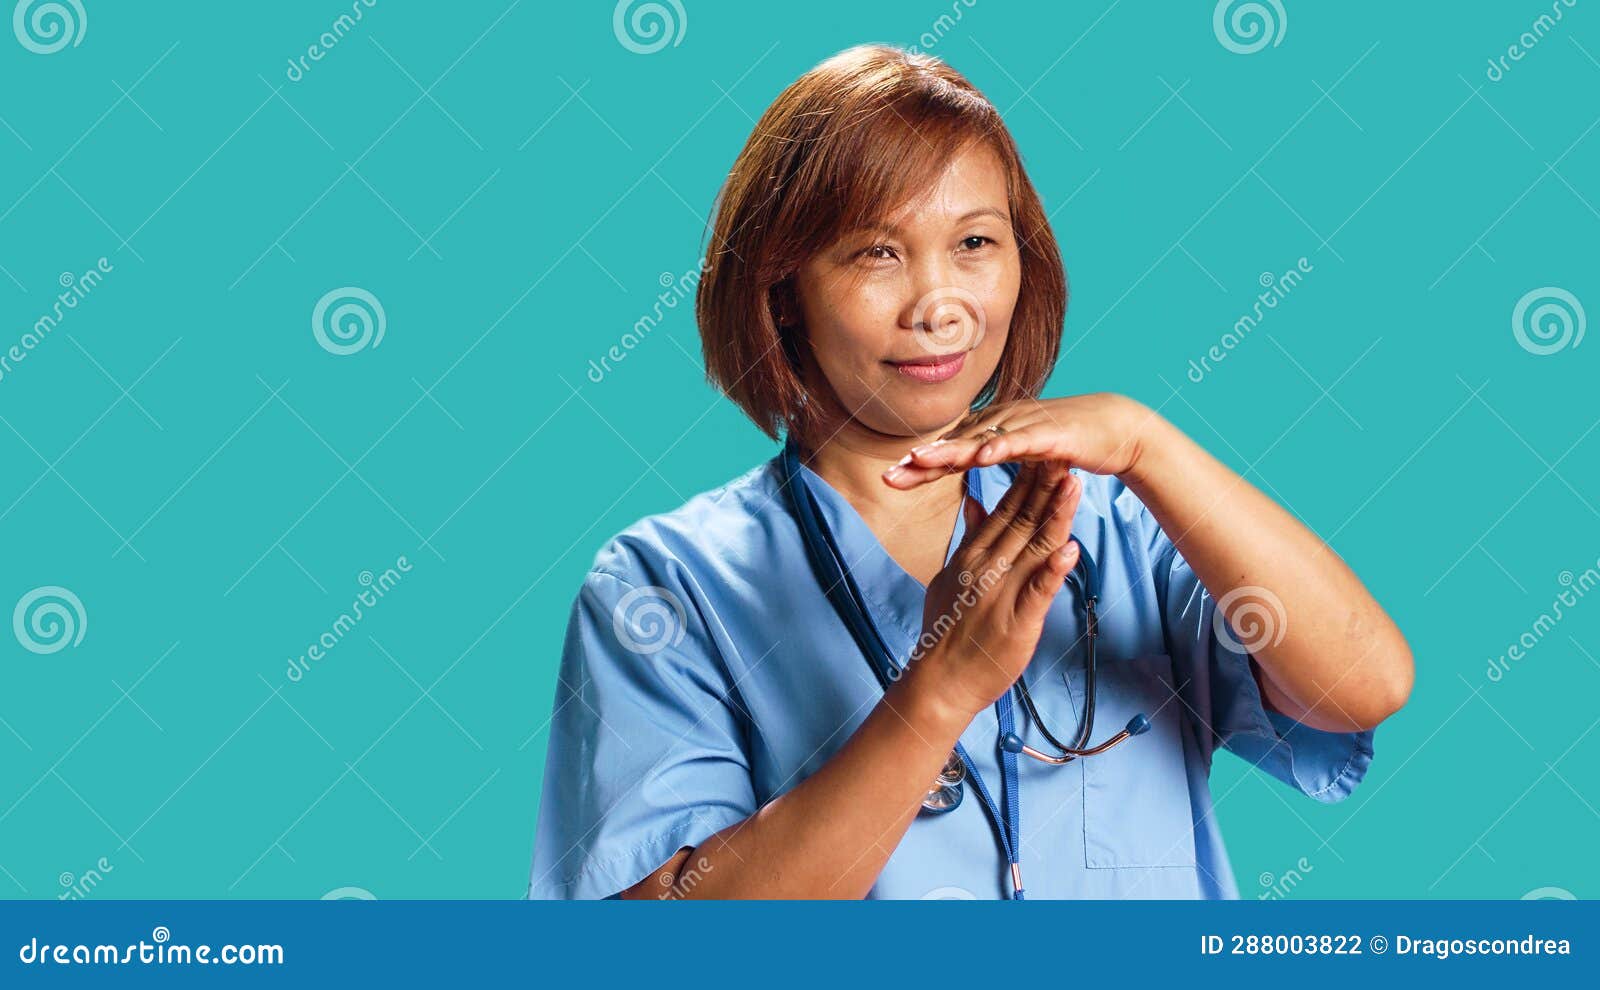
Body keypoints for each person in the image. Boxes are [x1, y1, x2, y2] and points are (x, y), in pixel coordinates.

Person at [526, 43, 1412, 900]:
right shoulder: (668, 585)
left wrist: (1150, 445)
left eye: (976, 243)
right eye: (876, 252)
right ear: (784, 288)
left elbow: (1366, 685)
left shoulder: (1120, 519)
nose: (938, 305)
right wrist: (941, 688)